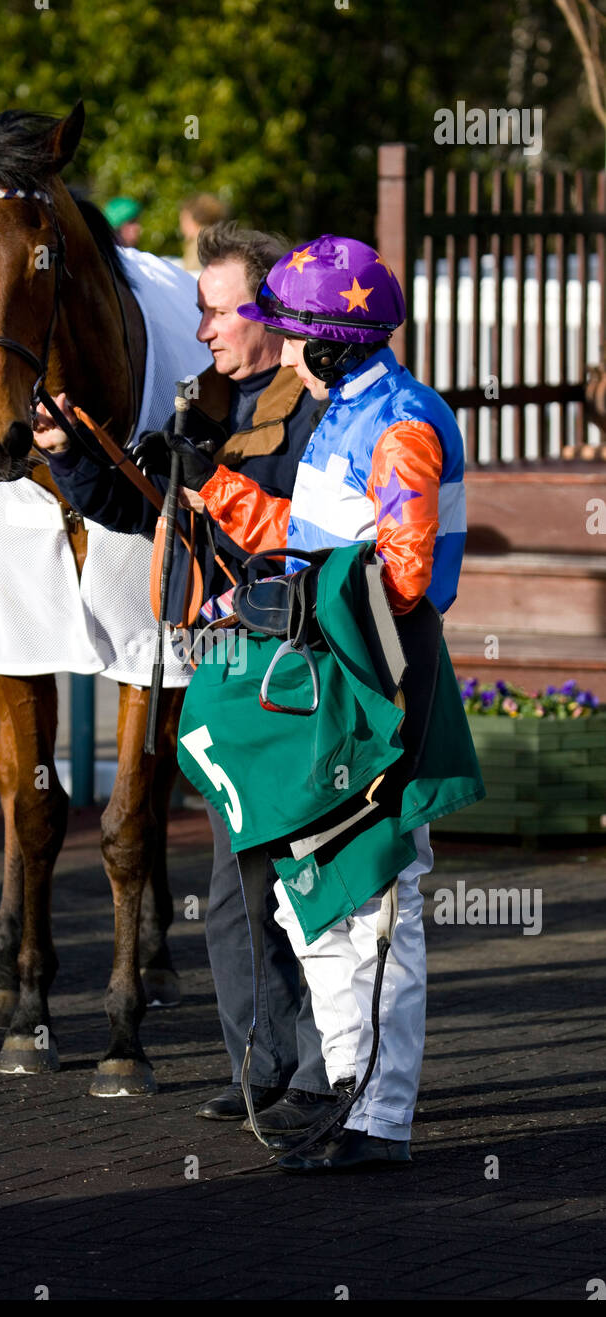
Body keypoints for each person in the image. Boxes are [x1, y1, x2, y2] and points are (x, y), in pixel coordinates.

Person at [33, 222, 347, 1136]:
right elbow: (143, 508)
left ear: (271, 314)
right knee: (236, 898)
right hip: (231, 679)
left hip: (295, 679)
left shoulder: (317, 415)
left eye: (217, 310)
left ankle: (327, 1075)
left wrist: (211, 478)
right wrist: (69, 453)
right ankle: (261, 1066)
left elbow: (299, 534)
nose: (202, 327)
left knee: (303, 890)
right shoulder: (212, 412)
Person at [172, 234, 468, 1171]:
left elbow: (405, 575)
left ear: (335, 343)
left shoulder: (403, 425)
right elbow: (301, 533)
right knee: (319, 900)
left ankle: (380, 1119)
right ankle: (348, 1088)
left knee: (378, 905)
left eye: (296, 335)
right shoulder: (346, 409)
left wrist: (281, 599)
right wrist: (204, 482)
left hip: (382, 677)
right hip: (328, 671)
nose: (284, 348)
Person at [179, 194, 229, 273]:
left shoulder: (200, 244)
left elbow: (193, 275)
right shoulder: (221, 239)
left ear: (192, 219)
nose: (182, 227)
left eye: (183, 220)